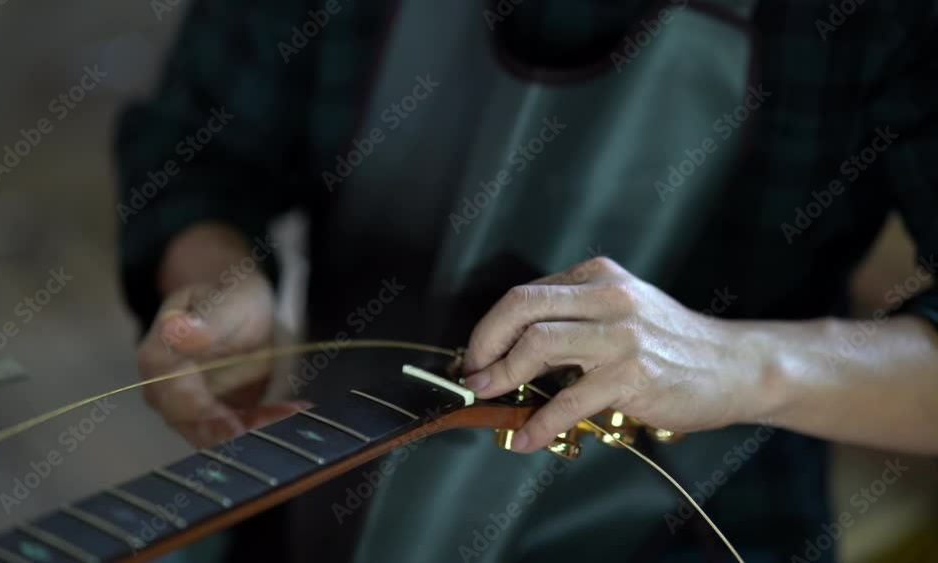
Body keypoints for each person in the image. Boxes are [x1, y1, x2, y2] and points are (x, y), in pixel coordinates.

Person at [117, 1, 938, 561]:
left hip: (702, 528)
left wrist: (739, 361)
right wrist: (216, 275)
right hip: (327, 503)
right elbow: (198, 151)